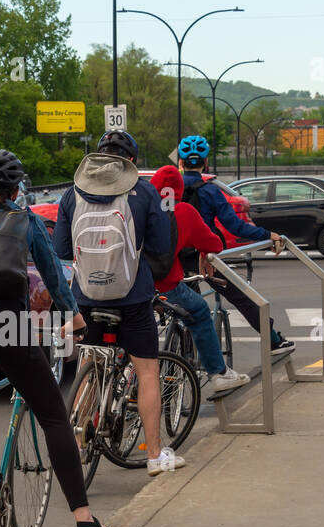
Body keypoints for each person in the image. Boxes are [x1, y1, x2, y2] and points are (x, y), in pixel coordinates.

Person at [0, 148, 116, 527]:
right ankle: (85, 523)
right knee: (53, 414)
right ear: (18, 188)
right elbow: (52, 273)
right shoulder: (27, 220)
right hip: (5, 321)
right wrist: (76, 316)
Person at [53, 130, 186, 477]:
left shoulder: (72, 193)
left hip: (86, 296)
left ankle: (79, 442)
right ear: (132, 161)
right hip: (133, 297)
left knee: (90, 365)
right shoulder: (144, 192)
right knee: (147, 372)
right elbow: (159, 248)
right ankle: (155, 455)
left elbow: (62, 250)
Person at [177, 135, 295, 354]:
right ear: (206, 163)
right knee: (244, 299)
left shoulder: (169, 189)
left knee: (171, 304)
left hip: (173, 258)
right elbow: (235, 227)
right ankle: (273, 341)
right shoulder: (211, 191)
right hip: (206, 258)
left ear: (180, 163)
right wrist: (268, 235)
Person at [149, 165, 251, 394]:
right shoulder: (184, 211)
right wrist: (202, 251)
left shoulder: (141, 208)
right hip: (168, 286)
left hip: (136, 287)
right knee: (200, 312)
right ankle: (219, 373)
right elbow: (214, 243)